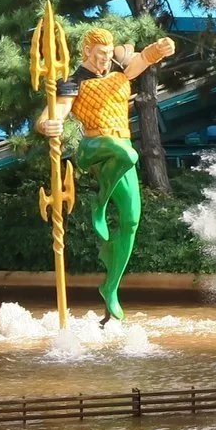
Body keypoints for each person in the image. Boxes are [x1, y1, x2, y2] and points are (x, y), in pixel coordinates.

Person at [38, 26, 175, 321]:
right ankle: (99, 204)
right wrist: (47, 125)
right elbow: (55, 113)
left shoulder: (118, 71)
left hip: (121, 147)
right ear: (86, 51)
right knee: (127, 153)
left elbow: (143, 60)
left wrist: (160, 47)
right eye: (99, 54)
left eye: (108, 54)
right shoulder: (74, 82)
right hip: (94, 147)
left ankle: (110, 288)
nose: (104, 59)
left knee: (131, 220)